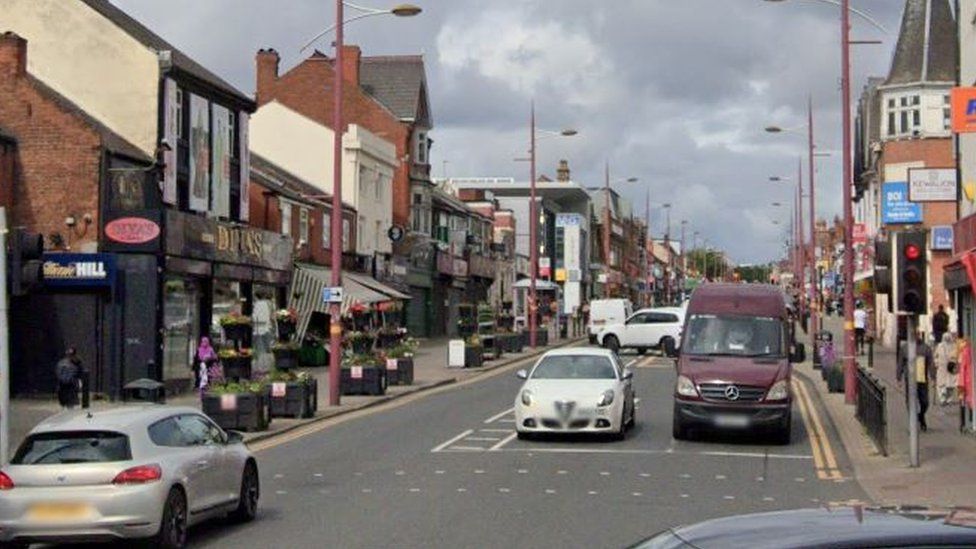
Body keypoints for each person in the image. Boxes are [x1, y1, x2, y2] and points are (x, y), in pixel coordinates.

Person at [897, 332, 935, 432]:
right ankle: (913, 423)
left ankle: (921, 416)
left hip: (922, 379)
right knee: (910, 401)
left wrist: (933, 377)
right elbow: (900, 363)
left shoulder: (926, 348)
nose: (916, 336)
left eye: (918, 334)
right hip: (910, 380)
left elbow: (931, 363)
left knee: (925, 402)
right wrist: (899, 378)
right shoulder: (905, 348)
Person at [934, 332, 959, 406]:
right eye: (945, 338)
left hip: (950, 368)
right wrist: (936, 363)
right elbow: (935, 356)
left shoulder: (953, 346)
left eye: (948, 337)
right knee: (941, 385)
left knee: (950, 385)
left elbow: (956, 356)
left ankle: (949, 399)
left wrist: (954, 362)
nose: (947, 339)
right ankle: (942, 399)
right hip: (941, 368)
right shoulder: (939, 346)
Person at [960, 337, 974, 433]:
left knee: (967, 402)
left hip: (968, 381)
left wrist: (961, 383)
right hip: (969, 380)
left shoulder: (965, 351)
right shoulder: (968, 351)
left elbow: (962, 368)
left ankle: (966, 423)